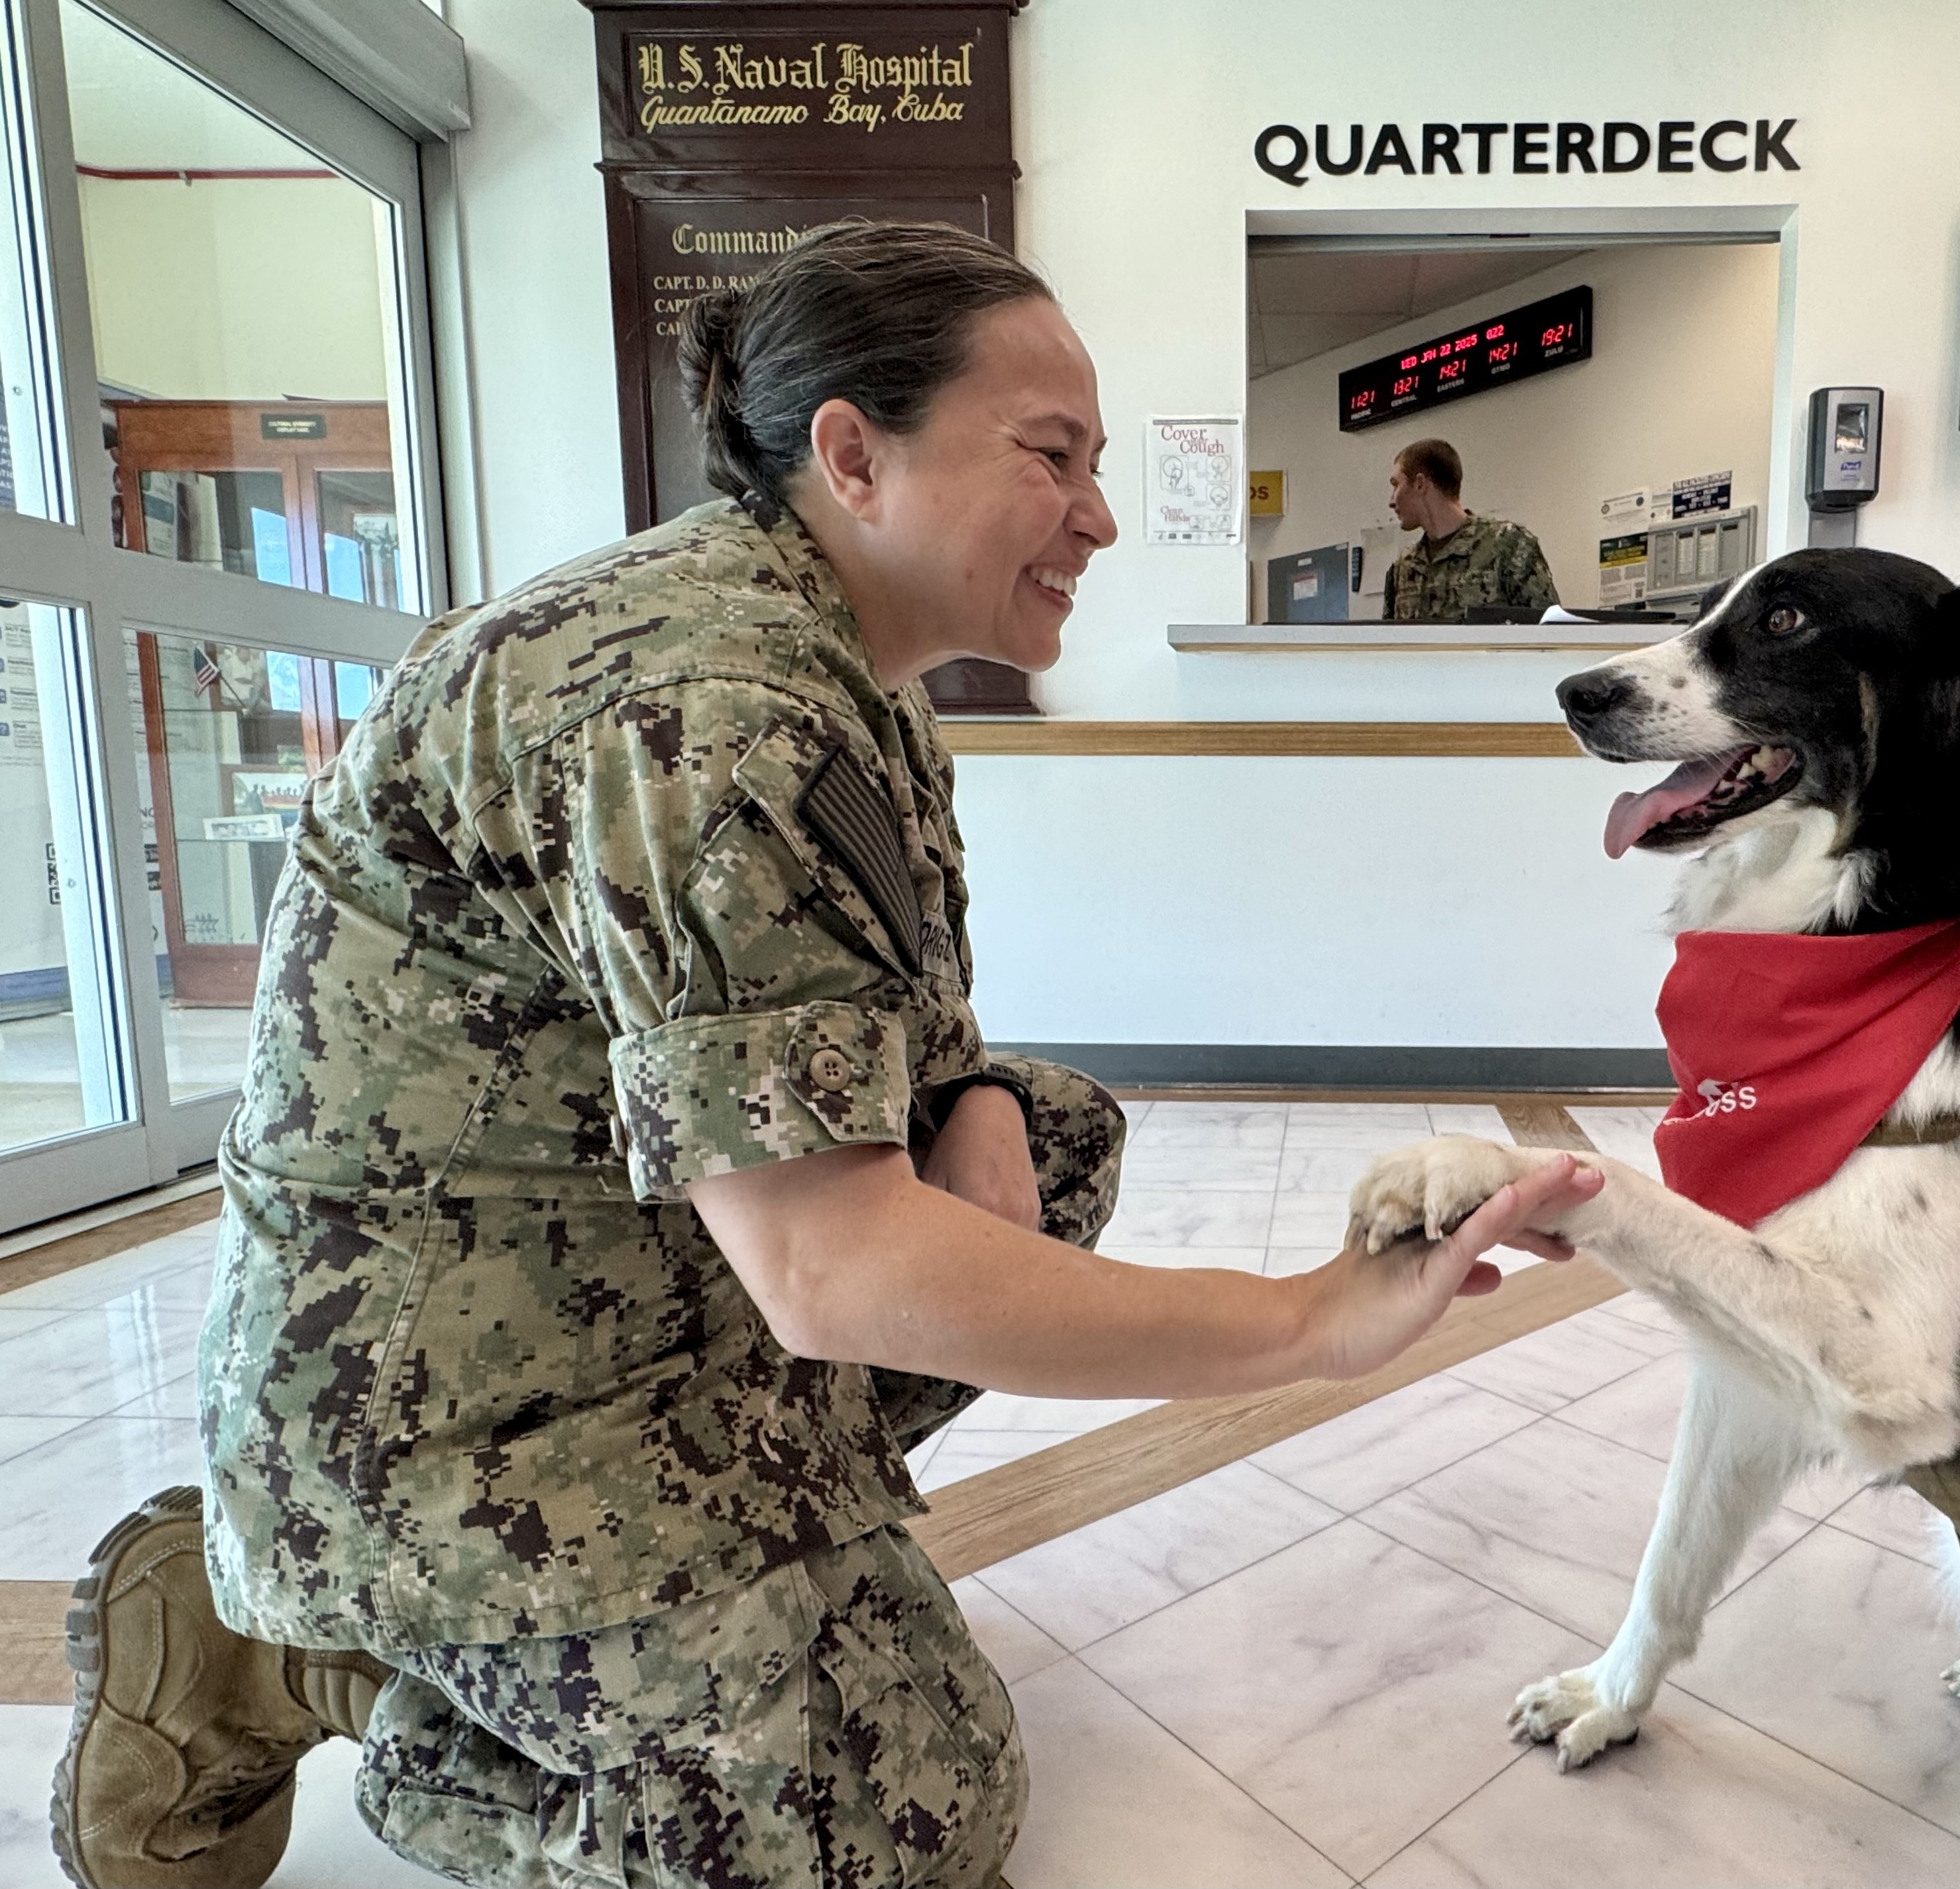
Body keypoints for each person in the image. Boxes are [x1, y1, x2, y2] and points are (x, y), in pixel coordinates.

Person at [50, 221, 1601, 1889]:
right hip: (433, 1414)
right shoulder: (712, 707)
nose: (1099, 514)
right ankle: (307, 1651)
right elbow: (833, 1264)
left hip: (614, 1292)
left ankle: (755, 1557)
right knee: (895, 1818)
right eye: (1053, 456)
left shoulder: (855, 669)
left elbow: (901, 1030)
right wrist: (1306, 1323)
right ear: (855, 454)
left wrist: (979, 1094)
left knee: (1050, 1135)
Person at [1382, 437, 1558, 620]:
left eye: (1396, 485)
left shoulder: (1508, 547)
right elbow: (1389, 643)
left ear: (1420, 484)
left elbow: (1550, 633)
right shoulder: (1404, 568)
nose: (1392, 501)